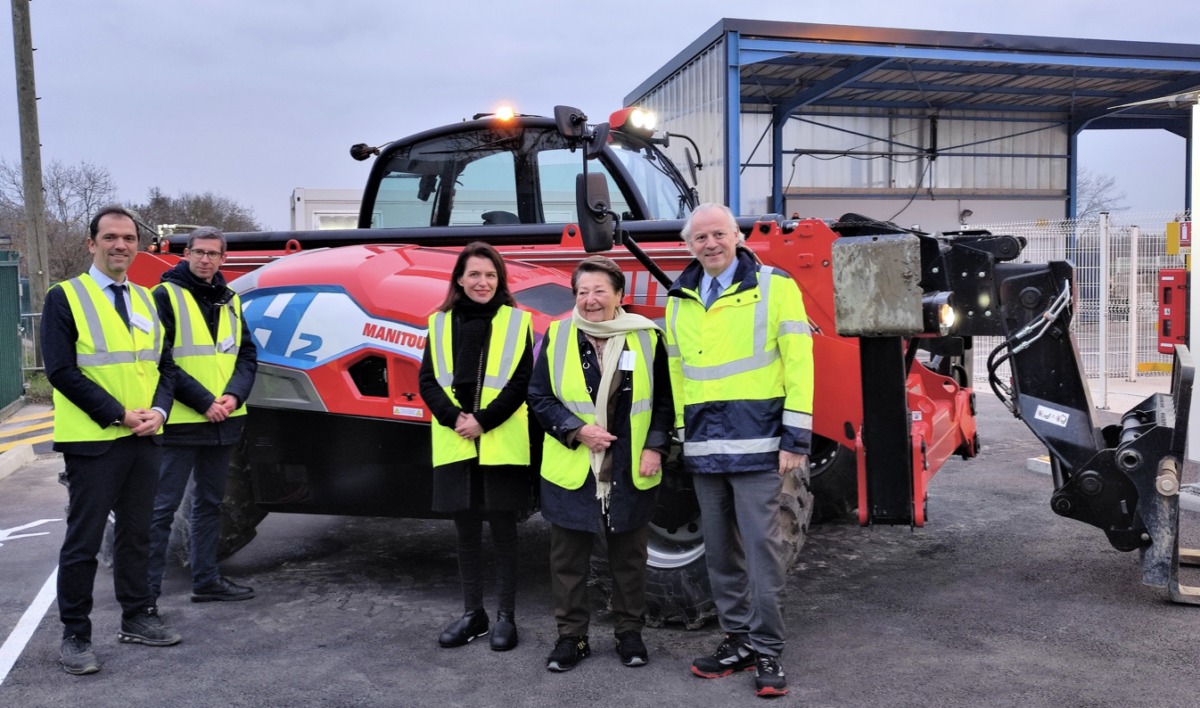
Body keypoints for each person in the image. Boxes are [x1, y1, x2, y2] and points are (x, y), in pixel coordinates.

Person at [665, 204, 813, 698]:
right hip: (706, 447)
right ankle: (737, 640)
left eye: (718, 234)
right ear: (690, 245)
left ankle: (767, 648)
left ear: (738, 236)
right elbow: (679, 376)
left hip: (761, 445)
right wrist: (684, 437)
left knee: (763, 550)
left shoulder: (775, 286)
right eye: (700, 237)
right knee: (720, 554)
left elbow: (799, 362)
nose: (710, 244)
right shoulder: (678, 299)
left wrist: (796, 438)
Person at [42, 206, 182, 675]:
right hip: (94, 441)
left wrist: (160, 411)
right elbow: (61, 371)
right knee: (83, 543)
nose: (120, 245)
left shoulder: (147, 299)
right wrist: (118, 415)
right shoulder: (65, 297)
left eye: (128, 238)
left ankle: (137, 616)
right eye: (110, 237)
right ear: (92, 244)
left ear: (137, 246)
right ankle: (76, 636)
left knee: (137, 534)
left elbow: (165, 367)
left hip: (145, 438)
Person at [528, 255, 674, 672]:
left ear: (619, 296)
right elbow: (538, 397)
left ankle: (630, 633)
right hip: (573, 467)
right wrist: (576, 430)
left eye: (599, 291)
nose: (590, 300)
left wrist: (656, 447)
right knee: (568, 561)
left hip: (630, 467)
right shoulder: (557, 335)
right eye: (582, 292)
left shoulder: (647, 337)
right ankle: (571, 639)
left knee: (629, 560)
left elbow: (663, 401)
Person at [418, 241, 534, 652]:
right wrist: (456, 420)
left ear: (499, 279)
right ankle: (473, 615)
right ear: (459, 279)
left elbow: (522, 383)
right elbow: (428, 382)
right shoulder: (438, 323)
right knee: (465, 533)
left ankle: (505, 617)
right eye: (474, 274)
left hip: (499, 440)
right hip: (456, 441)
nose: (482, 282)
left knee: (504, 532)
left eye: (490, 274)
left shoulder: (519, 322)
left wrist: (483, 421)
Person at [146, 226, 258, 604]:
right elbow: (161, 362)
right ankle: (145, 595)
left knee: (210, 504)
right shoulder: (164, 296)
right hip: (180, 421)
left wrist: (233, 395)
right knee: (161, 509)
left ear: (223, 258)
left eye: (213, 254)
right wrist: (203, 401)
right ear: (186, 254)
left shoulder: (230, 299)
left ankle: (206, 580)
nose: (206, 260)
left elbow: (245, 354)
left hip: (223, 420)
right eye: (199, 253)